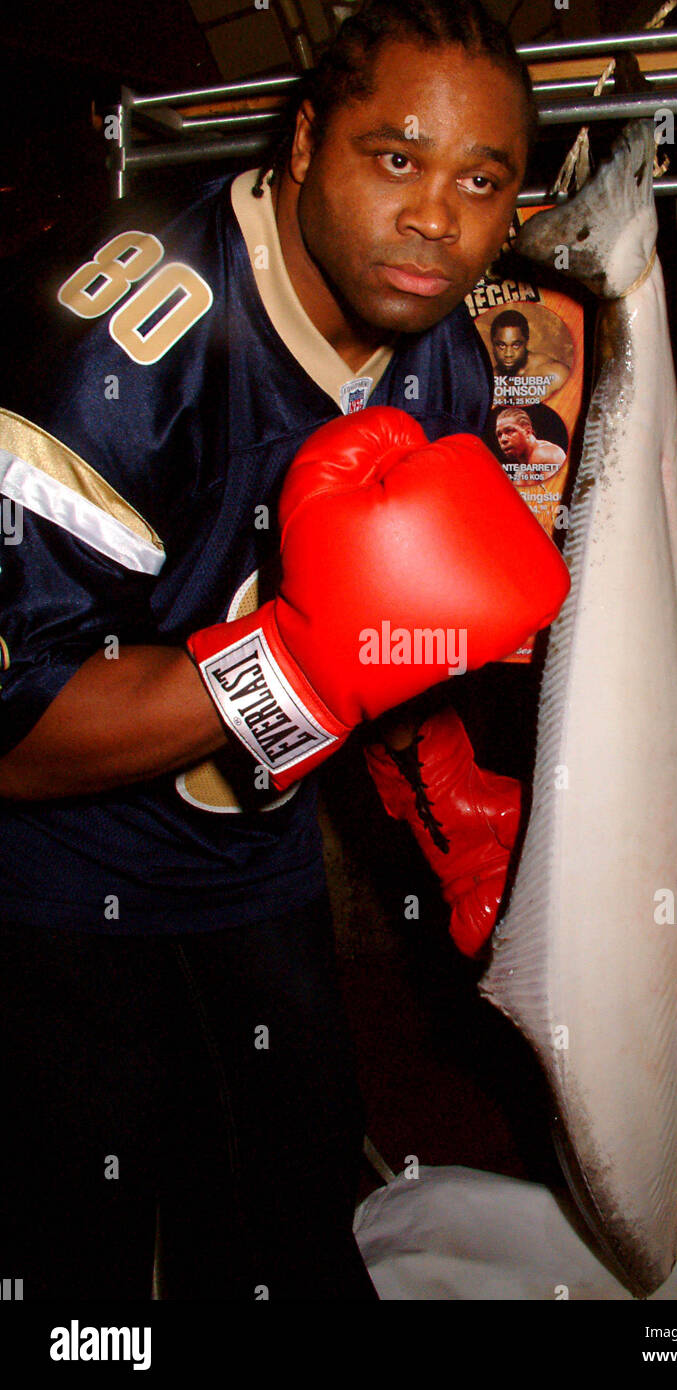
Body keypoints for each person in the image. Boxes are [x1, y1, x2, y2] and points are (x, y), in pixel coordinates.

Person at [0, 0, 563, 1301]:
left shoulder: (451, 361)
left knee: (290, 1208)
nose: (437, 216)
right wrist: (293, 657)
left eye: (480, 180)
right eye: (395, 158)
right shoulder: (125, 361)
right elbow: (14, 738)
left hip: (251, 854)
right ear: (306, 140)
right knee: (81, 1260)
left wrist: (452, 804)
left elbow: (404, 642)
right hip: (60, 871)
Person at [489, 307, 570, 391]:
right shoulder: (487, 381)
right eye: (501, 345)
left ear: (526, 341)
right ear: (492, 343)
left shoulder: (556, 374)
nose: (508, 354)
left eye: (516, 345)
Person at [495, 406, 567, 479]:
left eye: (509, 431)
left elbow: (554, 489)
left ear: (527, 432)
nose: (503, 439)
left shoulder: (546, 454)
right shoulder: (520, 472)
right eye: (499, 435)